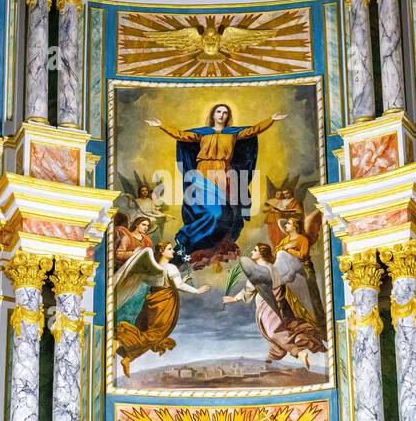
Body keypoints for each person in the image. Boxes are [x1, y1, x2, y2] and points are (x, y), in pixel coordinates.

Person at [146, 103, 285, 259]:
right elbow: (180, 135)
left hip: (224, 173)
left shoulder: (233, 134)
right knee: (212, 211)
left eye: (225, 113)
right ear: (213, 114)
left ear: (228, 116)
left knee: (225, 213)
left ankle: (214, 243)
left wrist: (271, 120)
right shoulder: (202, 134)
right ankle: (186, 236)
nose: (221, 115)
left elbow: (253, 131)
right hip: (203, 173)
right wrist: (161, 126)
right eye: (218, 112)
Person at [113, 241, 209, 377]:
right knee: (156, 335)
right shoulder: (171, 268)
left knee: (149, 332)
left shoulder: (155, 267)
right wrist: (197, 290)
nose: (173, 251)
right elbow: (178, 286)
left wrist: (181, 281)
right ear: (162, 251)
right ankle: (120, 340)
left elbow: (163, 283)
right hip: (165, 303)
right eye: (170, 249)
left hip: (153, 302)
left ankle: (128, 357)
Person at [223, 243, 325, 369]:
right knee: (274, 330)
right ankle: (273, 356)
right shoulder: (272, 268)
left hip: (269, 305)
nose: (252, 253)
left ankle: (298, 353)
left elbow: (249, 289)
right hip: (277, 303)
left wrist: (233, 298)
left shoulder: (260, 270)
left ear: (261, 253)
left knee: (273, 332)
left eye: (255, 250)